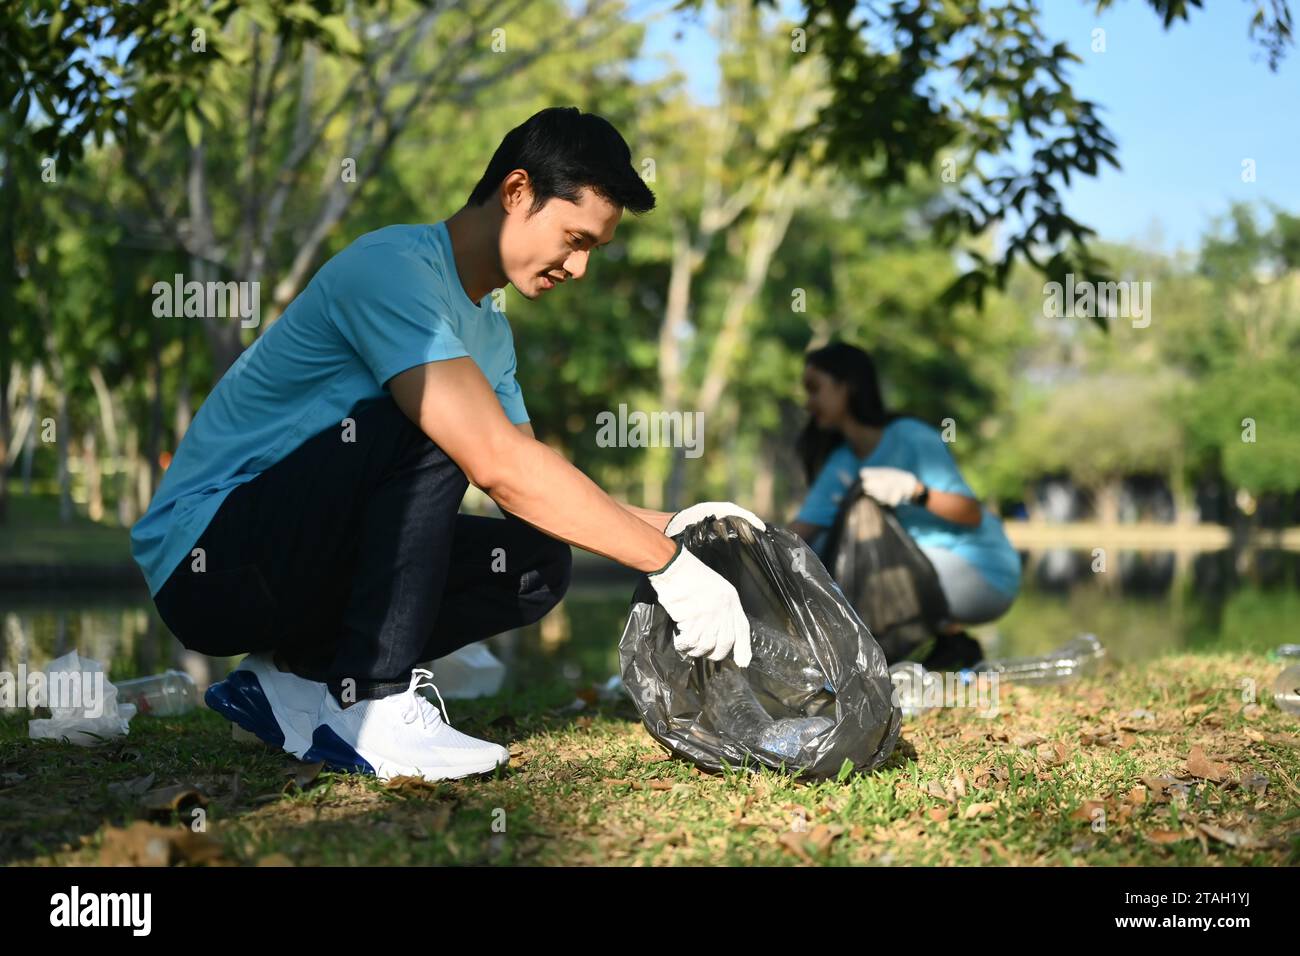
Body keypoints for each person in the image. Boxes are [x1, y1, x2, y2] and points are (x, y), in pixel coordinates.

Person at [130, 107, 764, 783]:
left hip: (291, 561)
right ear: (517, 192)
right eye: (575, 240)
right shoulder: (392, 270)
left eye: (594, 252)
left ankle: (294, 681)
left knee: (534, 562)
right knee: (433, 416)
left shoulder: (491, 332)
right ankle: (372, 707)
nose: (579, 268)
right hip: (210, 562)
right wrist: (664, 565)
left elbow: (530, 482)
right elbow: (494, 461)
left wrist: (683, 530)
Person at [786, 343, 1021, 668]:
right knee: (819, 551)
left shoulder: (910, 438)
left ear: (848, 386)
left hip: (981, 572)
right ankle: (947, 648)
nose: (808, 403)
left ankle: (874, 664)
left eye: (815, 389)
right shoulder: (841, 462)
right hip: (915, 571)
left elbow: (971, 513)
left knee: (861, 565)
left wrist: (915, 491)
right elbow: (800, 533)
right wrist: (743, 545)